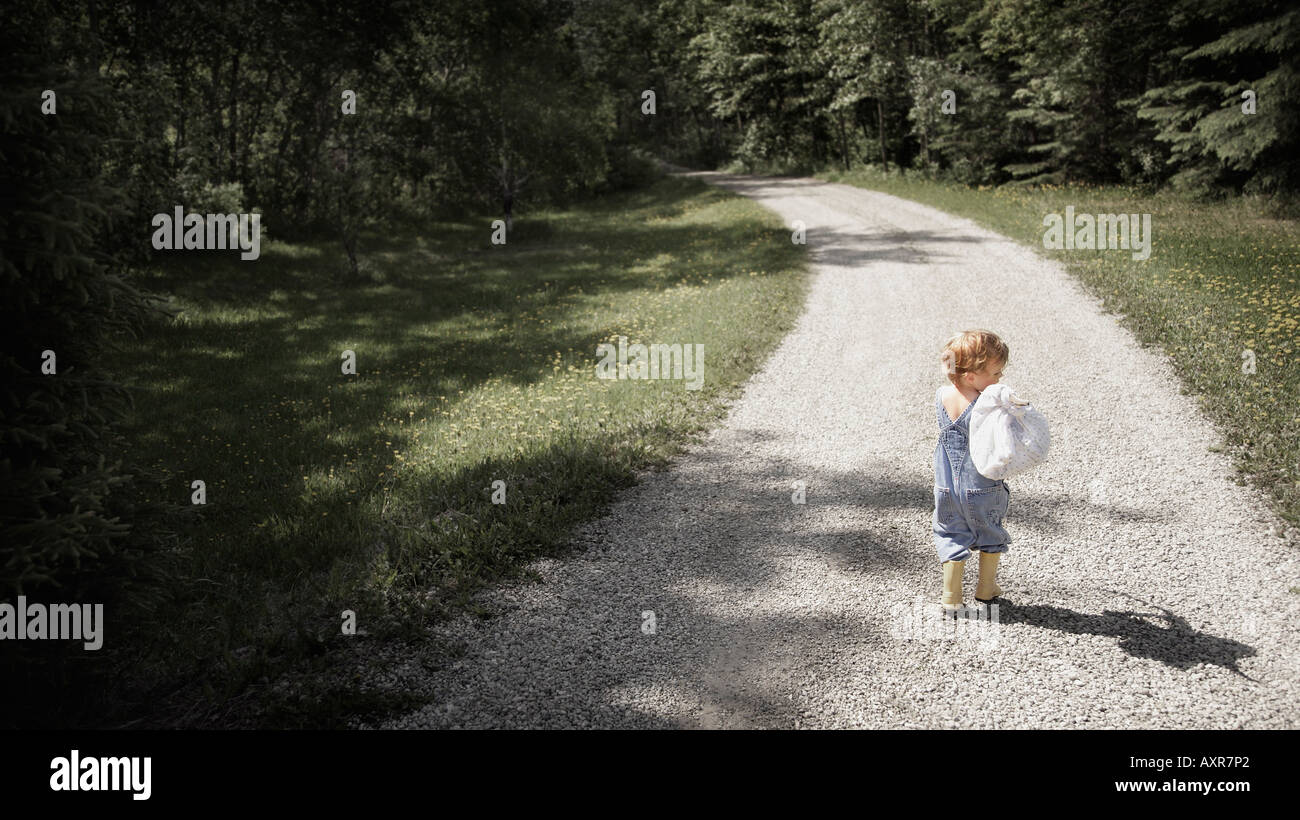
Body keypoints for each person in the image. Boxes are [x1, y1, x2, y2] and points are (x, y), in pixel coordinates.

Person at [933, 330, 1012, 615]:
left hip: (946, 488)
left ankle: (951, 596)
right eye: (995, 373)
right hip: (981, 485)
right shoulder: (986, 404)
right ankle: (986, 589)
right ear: (971, 377)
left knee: (950, 531)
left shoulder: (941, 395)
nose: (999, 378)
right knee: (990, 529)